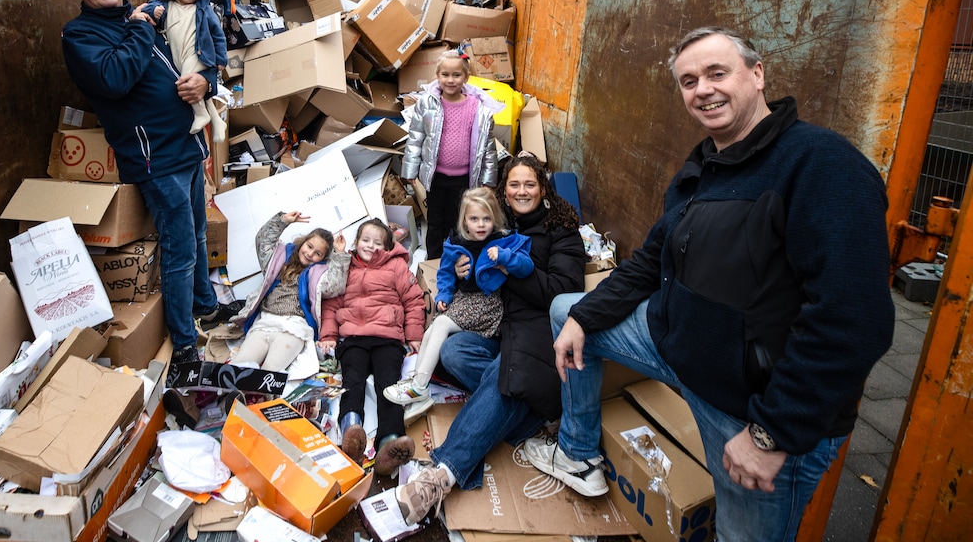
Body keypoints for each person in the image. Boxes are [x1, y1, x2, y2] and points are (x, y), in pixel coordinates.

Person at [529, 27, 895, 540]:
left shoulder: (821, 165)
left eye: (716, 73)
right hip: (674, 346)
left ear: (757, 74)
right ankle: (578, 452)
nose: (702, 89)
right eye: (689, 80)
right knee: (565, 309)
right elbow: (649, 260)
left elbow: (855, 320)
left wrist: (772, 433)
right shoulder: (703, 166)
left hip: (747, 406)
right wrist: (583, 318)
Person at [60, 0, 242, 369]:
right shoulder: (81, 35)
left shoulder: (151, 14)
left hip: (187, 146)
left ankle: (207, 306)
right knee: (179, 251)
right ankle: (183, 342)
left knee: (196, 236)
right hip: (154, 158)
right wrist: (142, 27)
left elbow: (194, 53)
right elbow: (116, 78)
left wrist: (206, 81)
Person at [393, 153, 586, 524]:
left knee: (508, 377)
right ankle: (533, 417)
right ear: (504, 190)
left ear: (542, 188)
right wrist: (465, 273)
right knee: (453, 350)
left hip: (535, 331)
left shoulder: (562, 231)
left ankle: (442, 475)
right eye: (514, 184)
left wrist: (509, 270)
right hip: (497, 327)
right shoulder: (498, 223)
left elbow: (564, 292)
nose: (521, 191)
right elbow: (473, 273)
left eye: (529, 183)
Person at [383, 187, 533, 409]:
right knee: (434, 326)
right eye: (474, 219)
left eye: (486, 218)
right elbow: (444, 273)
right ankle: (416, 379)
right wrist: (444, 293)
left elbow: (526, 266)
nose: (481, 225)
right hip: (463, 300)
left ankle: (420, 386)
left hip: (488, 304)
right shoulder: (457, 243)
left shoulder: (504, 241)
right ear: (464, 220)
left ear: (495, 218)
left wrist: (505, 257)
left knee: (441, 322)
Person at [318, 218, 424, 476]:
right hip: (353, 336)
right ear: (356, 242)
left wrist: (414, 335)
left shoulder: (396, 267)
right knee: (352, 380)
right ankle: (352, 430)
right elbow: (332, 303)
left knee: (389, 385)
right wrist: (329, 334)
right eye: (365, 240)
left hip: (388, 337)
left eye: (378, 243)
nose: (370, 246)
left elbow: (414, 301)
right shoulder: (346, 266)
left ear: (388, 248)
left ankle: (389, 442)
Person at [401, 50, 504, 259]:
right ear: (437, 76)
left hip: (464, 179)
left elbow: (488, 148)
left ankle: (456, 261)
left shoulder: (478, 108)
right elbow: (416, 137)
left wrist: (488, 179)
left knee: (458, 222)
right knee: (436, 221)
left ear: (465, 77)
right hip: (436, 177)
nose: (450, 80)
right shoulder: (427, 103)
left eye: (456, 75)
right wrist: (410, 170)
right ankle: (434, 262)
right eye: (445, 75)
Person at [230, 211, 350, 372]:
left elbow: (336, 285)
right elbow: (263, 242)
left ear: (322, 259)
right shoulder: (279, 258)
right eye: (309, 246)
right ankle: (232, 397)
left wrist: (339, 253)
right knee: (238, 368)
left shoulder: (319, 274)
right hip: (266, 322)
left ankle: (264, 397)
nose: (310, 254)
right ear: (303, 242)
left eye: (317, 254)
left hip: (294, 326)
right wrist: (282, 221)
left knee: (270, 371)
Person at [140, 0, 227, 141]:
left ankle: (201, 114)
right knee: (194, 88)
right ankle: (217, 120)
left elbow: (218, 35)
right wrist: (153, 10)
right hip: (176, 56)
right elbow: (147, 9)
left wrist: (221, 58)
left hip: (197, 54)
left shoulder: (203, 10)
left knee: (187, 81)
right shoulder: (165, 6)